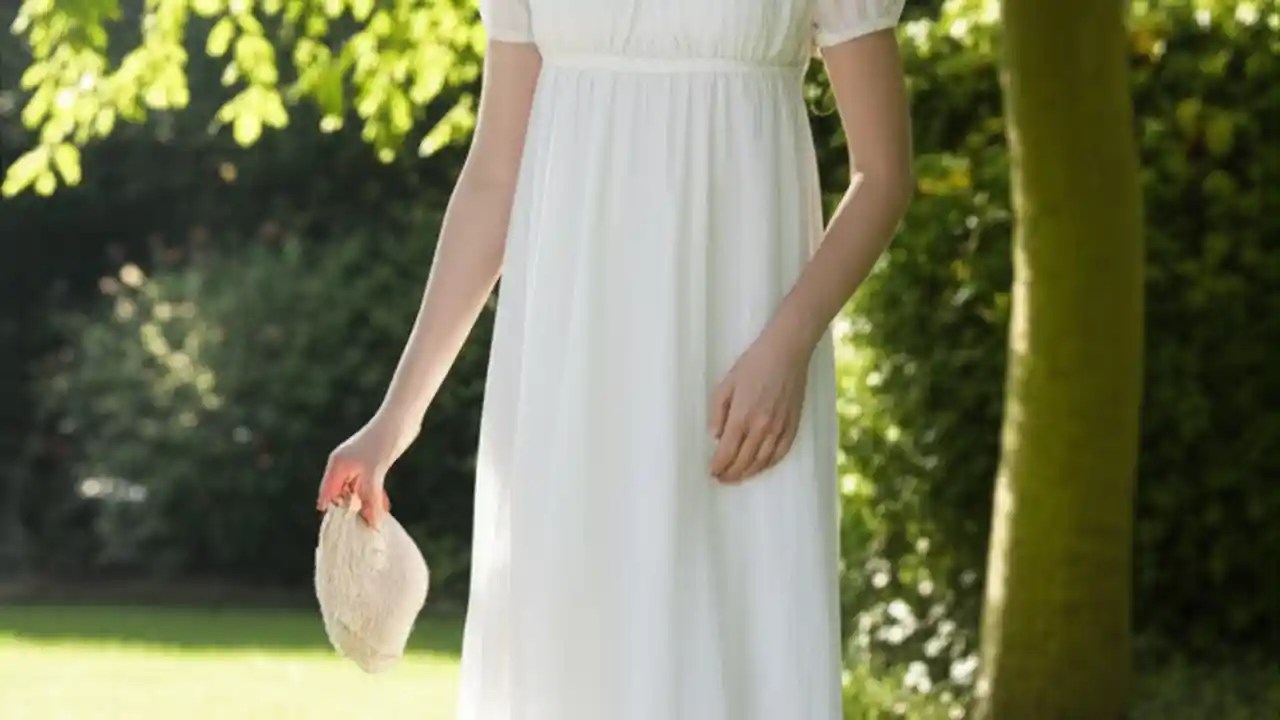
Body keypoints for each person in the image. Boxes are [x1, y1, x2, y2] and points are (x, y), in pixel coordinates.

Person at [317, 1, 913, 717]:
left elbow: (882, 173)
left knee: (737, 637)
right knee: (572, 649)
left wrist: (787, 348)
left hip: (744, 370)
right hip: (571, 367)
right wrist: (395, 419)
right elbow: (493, 180)